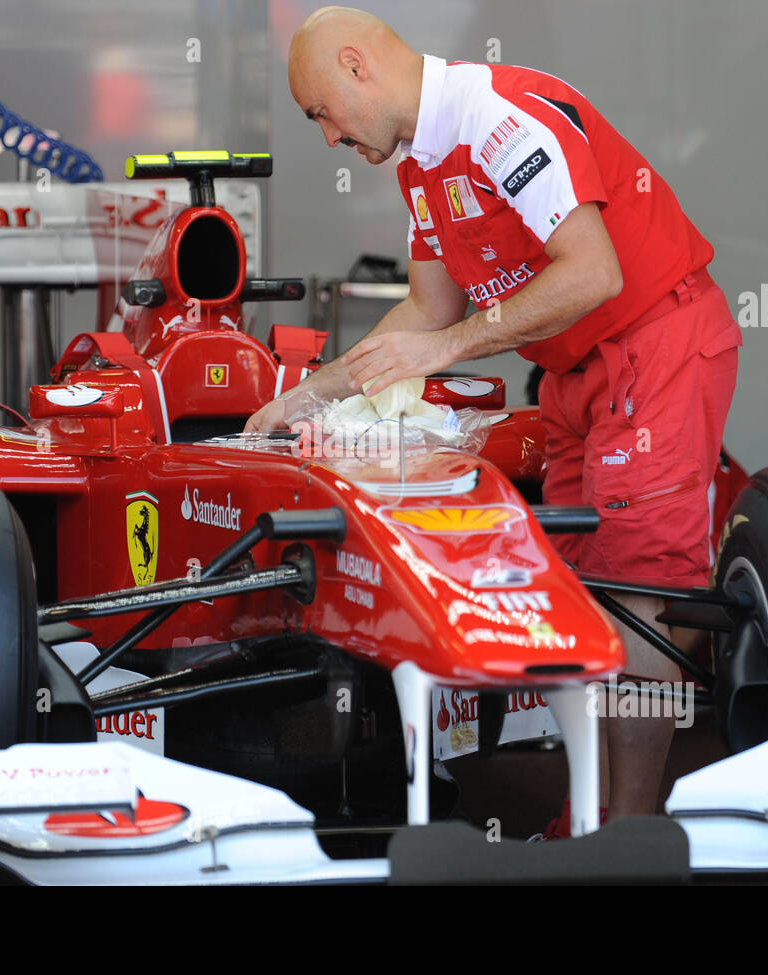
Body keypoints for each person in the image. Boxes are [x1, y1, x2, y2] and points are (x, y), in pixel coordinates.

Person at [245, 6, 741, 820]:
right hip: (573, 376)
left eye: (320, 113)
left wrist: (443, 354)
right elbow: (426, 309)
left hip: (655, 346)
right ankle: (589, 819)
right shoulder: (421, 167)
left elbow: (594, 275)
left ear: (356, 67)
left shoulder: (503, 120)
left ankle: (628, 833)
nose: (328, 138)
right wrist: (311, 392)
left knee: (642, 597)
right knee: (584, 597)